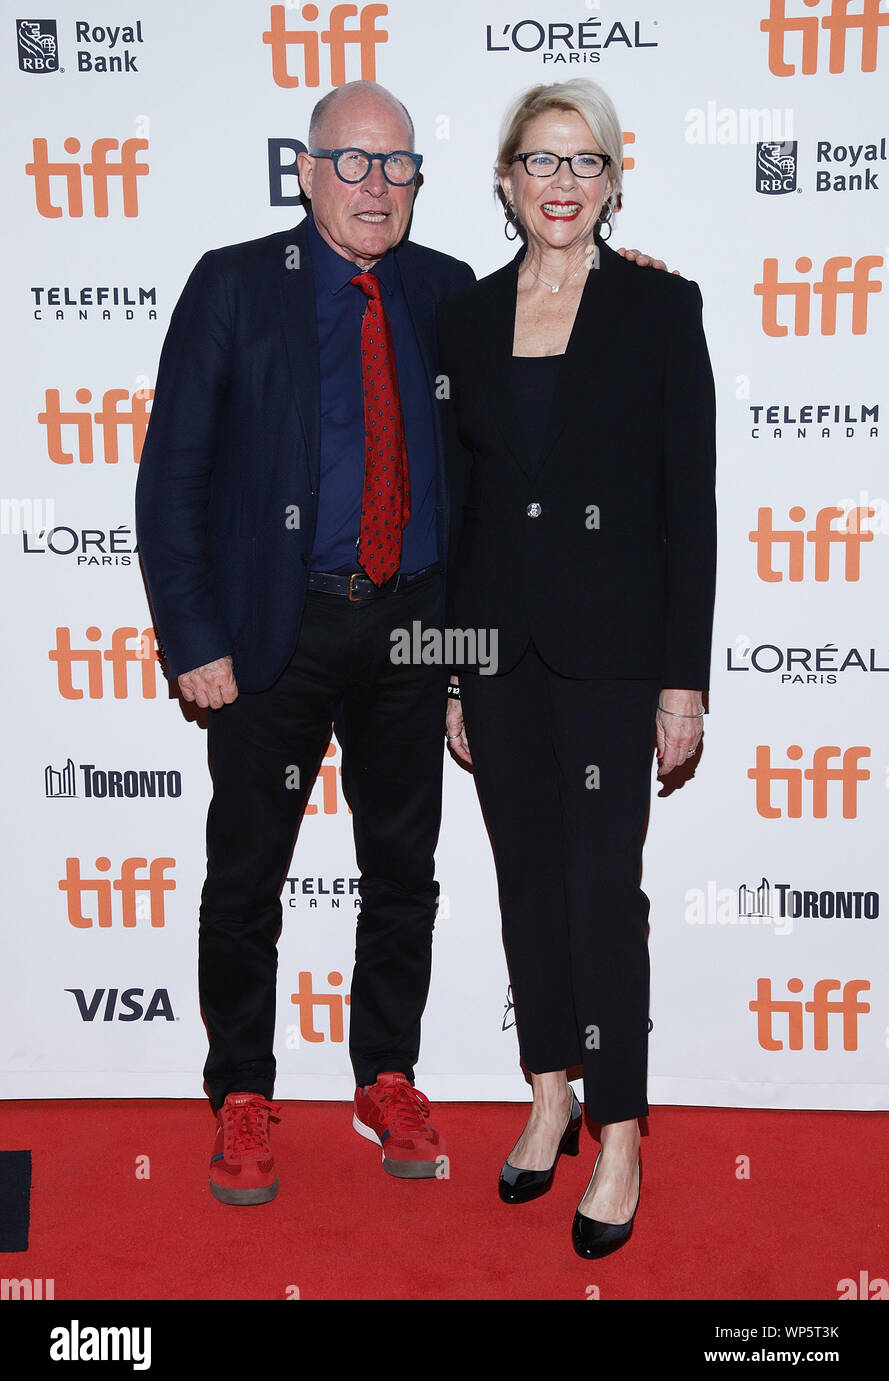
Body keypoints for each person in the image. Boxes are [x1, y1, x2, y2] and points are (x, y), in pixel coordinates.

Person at [135, 80, 476, 1204]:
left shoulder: (448, 290)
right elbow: (171, 478)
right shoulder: (234, 284)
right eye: (354, 163)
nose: (377, 188)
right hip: (272, 630)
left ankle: (386, 1074)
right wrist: (194, 637)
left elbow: (487, 483)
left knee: (405, 874)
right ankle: (241, 1086)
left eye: (398, 167)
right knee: (246, 875)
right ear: (307, 170)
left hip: (414, 623)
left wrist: (465, 659)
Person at [441, 79, 717, 1257]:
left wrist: (681, 679)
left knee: (603, 894)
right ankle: (548, 1088)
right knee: (525, 886)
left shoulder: (660, 309)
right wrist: (451, 670)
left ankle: (617, 1128)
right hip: (496, 658)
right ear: (505, 181)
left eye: (584, 161)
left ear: (612, 182)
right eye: (539, 161)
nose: (561, 181)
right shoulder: (465, 316)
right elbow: (458, 511)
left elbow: (686, 510)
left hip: (611, 661)